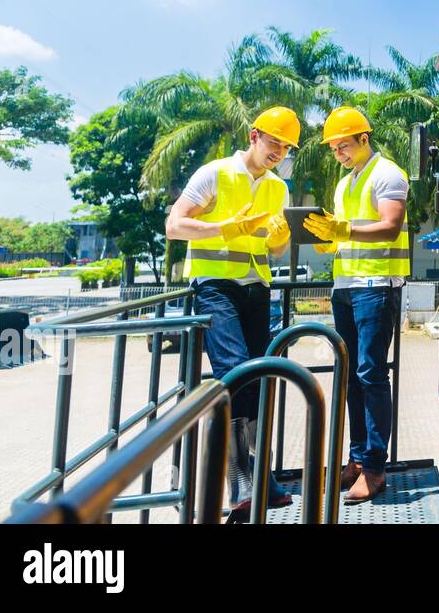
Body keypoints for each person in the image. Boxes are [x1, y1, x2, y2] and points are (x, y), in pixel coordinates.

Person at [164, 106, 300, 518]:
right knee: (236, 371)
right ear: (254, 136)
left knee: (258, 378)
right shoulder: (215, 173)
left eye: (286, 147)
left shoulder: (278, 188)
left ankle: (261, 477)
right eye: (274, 142)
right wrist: (224, 228)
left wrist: (281, 238)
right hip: (216, 287)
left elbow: (276, 249)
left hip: (257, 288)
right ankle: (239, 481)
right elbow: (174, 226)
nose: (278, 152)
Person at [304, 107, 410, 504]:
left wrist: (344, 230)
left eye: (344, 146)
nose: (339, 154)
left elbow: (390, 227)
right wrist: (328, 240)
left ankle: (375, 469)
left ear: (364, 139)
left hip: (376, 287)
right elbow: (345, 234)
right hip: (346, 288)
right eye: (334, 148)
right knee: (351, 376)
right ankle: (358, 458)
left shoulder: (388, 174)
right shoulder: (344, 183)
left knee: (371, 375)